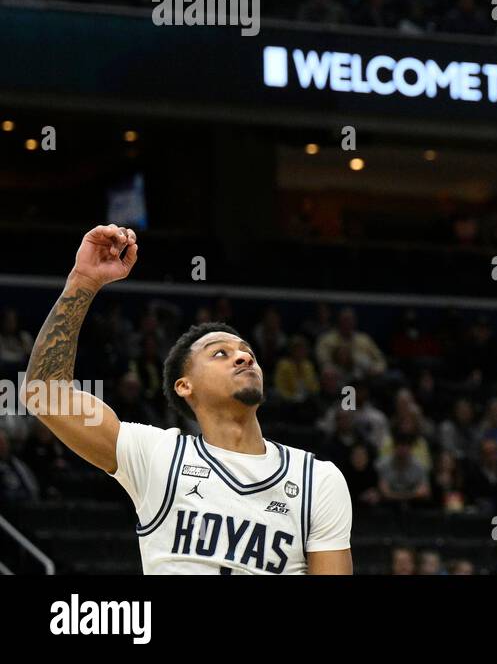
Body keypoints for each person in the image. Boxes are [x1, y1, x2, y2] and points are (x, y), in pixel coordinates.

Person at [20, 225, 352, 574]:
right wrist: (83, 282)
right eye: (220, 353)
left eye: (246, 352)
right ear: (184, 386)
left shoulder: (318, 479)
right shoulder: (156, 455)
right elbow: (44, 394)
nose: (244, 357)